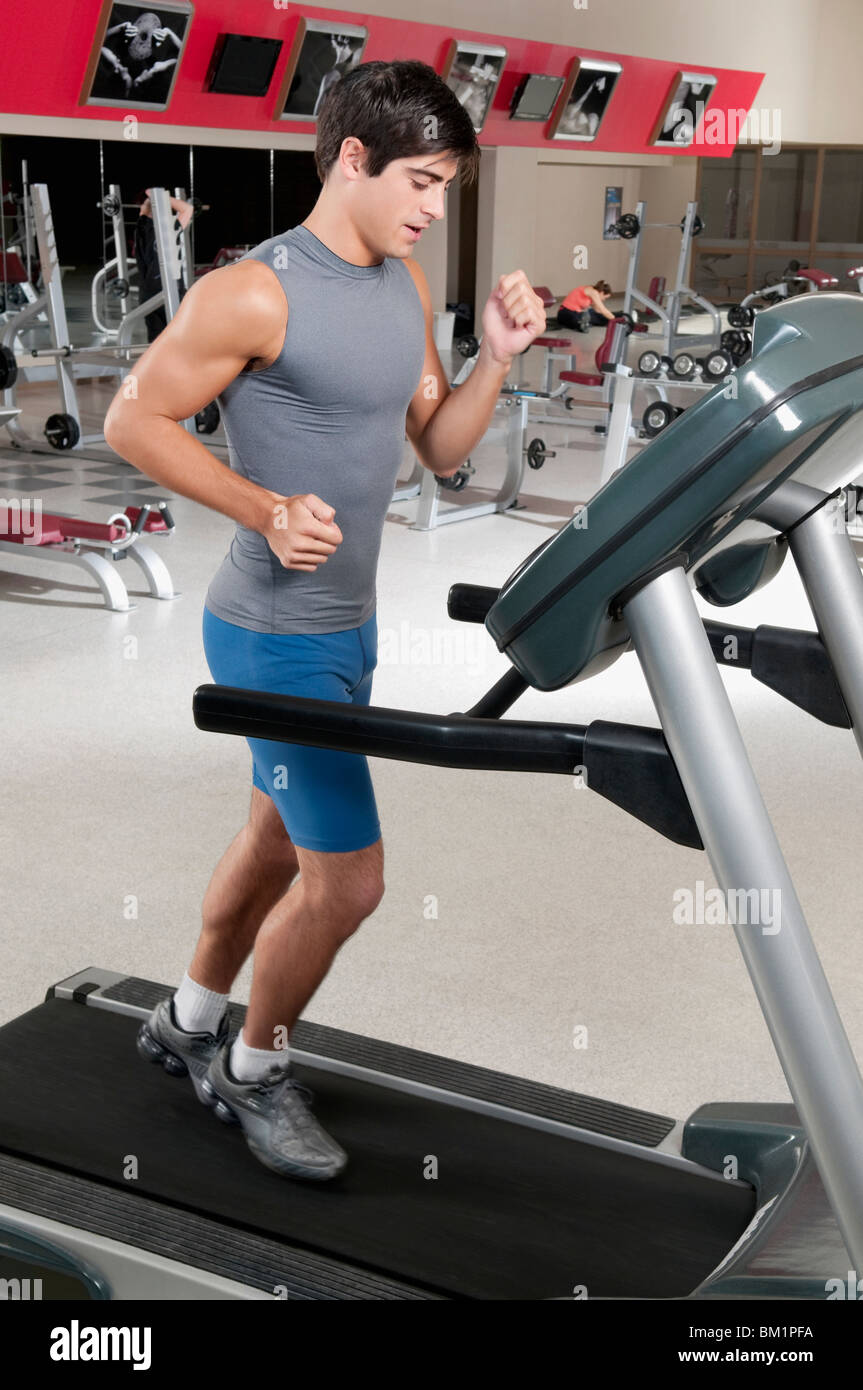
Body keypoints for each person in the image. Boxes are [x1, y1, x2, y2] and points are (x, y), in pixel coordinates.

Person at [104, 59, 546, 1183]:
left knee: (270, 836)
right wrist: (258, 505)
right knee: (348, 880)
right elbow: (130, 417)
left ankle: (188, 1016)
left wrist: (494, 361)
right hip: (268, 632)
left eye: (445, 187)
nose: (433, 209)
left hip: (348, 627)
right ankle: (251, 1072)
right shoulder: (257, 292)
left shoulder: (397, 287)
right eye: (420, 181)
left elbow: (437, 450)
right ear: (352, 159)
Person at [132, 187, 193, 343]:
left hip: (147, 294)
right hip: (170, 290)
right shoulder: (169, 230)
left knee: (155, 341)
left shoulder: (141, 227)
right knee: (177, 339)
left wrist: (151, 199)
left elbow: (144, 210)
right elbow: (187, 209)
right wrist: (158, 195)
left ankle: (157, 366)